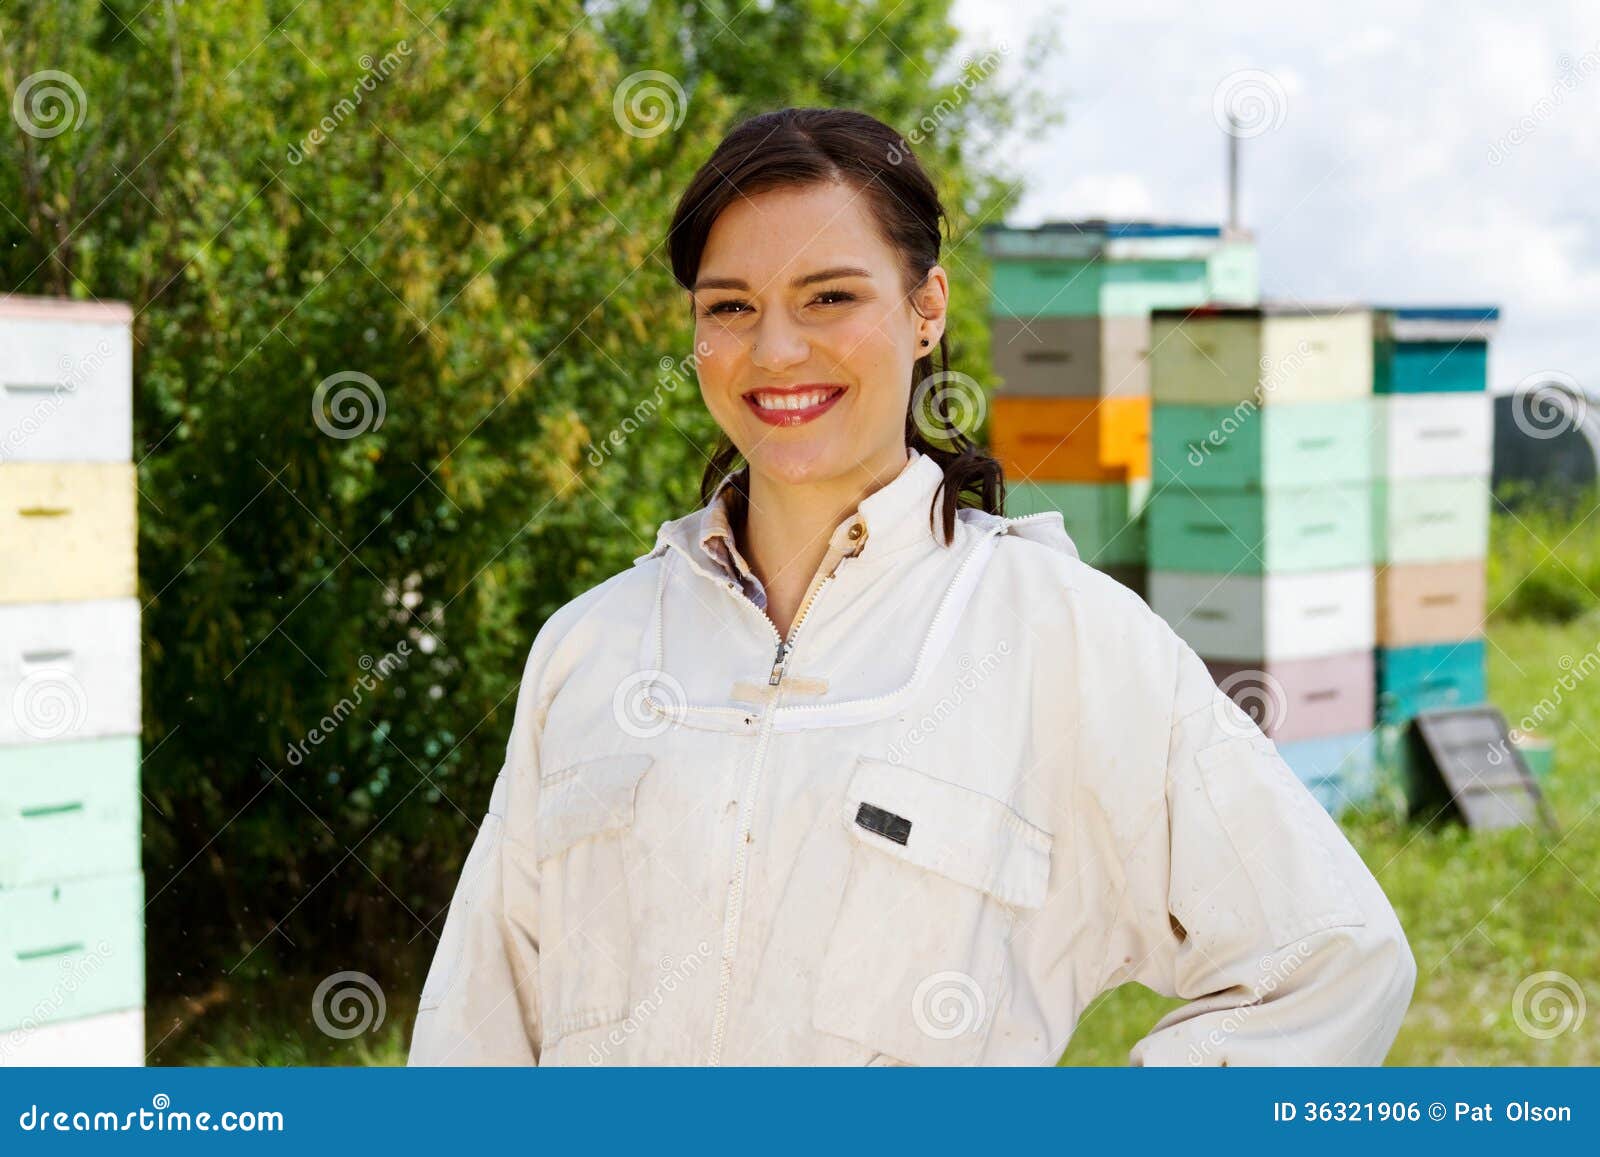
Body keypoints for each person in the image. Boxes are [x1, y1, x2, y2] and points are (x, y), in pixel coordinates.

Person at [407, 106, 1415, 1067]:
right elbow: (475, 1032)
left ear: (925, 309)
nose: (775, 350)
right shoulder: (588, 646)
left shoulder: (1060, 634)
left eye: (829, 298)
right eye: (730, 307)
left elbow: (1329, 958)